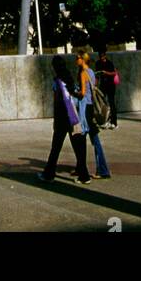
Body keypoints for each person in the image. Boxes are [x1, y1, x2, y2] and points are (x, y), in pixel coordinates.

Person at [40, 55, 90, 184]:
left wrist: (56, 119)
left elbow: (58, 101)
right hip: (72, 116)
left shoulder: (57, 81)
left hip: (62, 118)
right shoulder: (69, 77)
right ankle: (84, 175)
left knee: (56, 147)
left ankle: (49, 174)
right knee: (77, 146)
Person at [75, 50, 111, 178]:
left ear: (82, 59)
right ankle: (83, 167)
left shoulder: (83, 73)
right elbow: (93, 86)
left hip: (86, 109)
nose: (76, 60)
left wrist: (74, 93)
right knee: (91, 138)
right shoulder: (90, 71)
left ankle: (101, 169)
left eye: (77, 58)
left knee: (85, 138)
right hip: (91, 108)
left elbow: (83, 93)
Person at [96, 49, 119, 129]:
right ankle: (104, 121)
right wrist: (95, 85)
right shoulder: (98, 63)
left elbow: (114, 73)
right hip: (103, 85)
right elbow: (97, 76)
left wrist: (106, 73)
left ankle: (114, 122)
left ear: (105, 56)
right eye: (100, 56)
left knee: (111, 103)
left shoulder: (109, 63)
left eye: (103, 56)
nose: (102, 58)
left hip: (110, 85)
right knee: (102, 104)